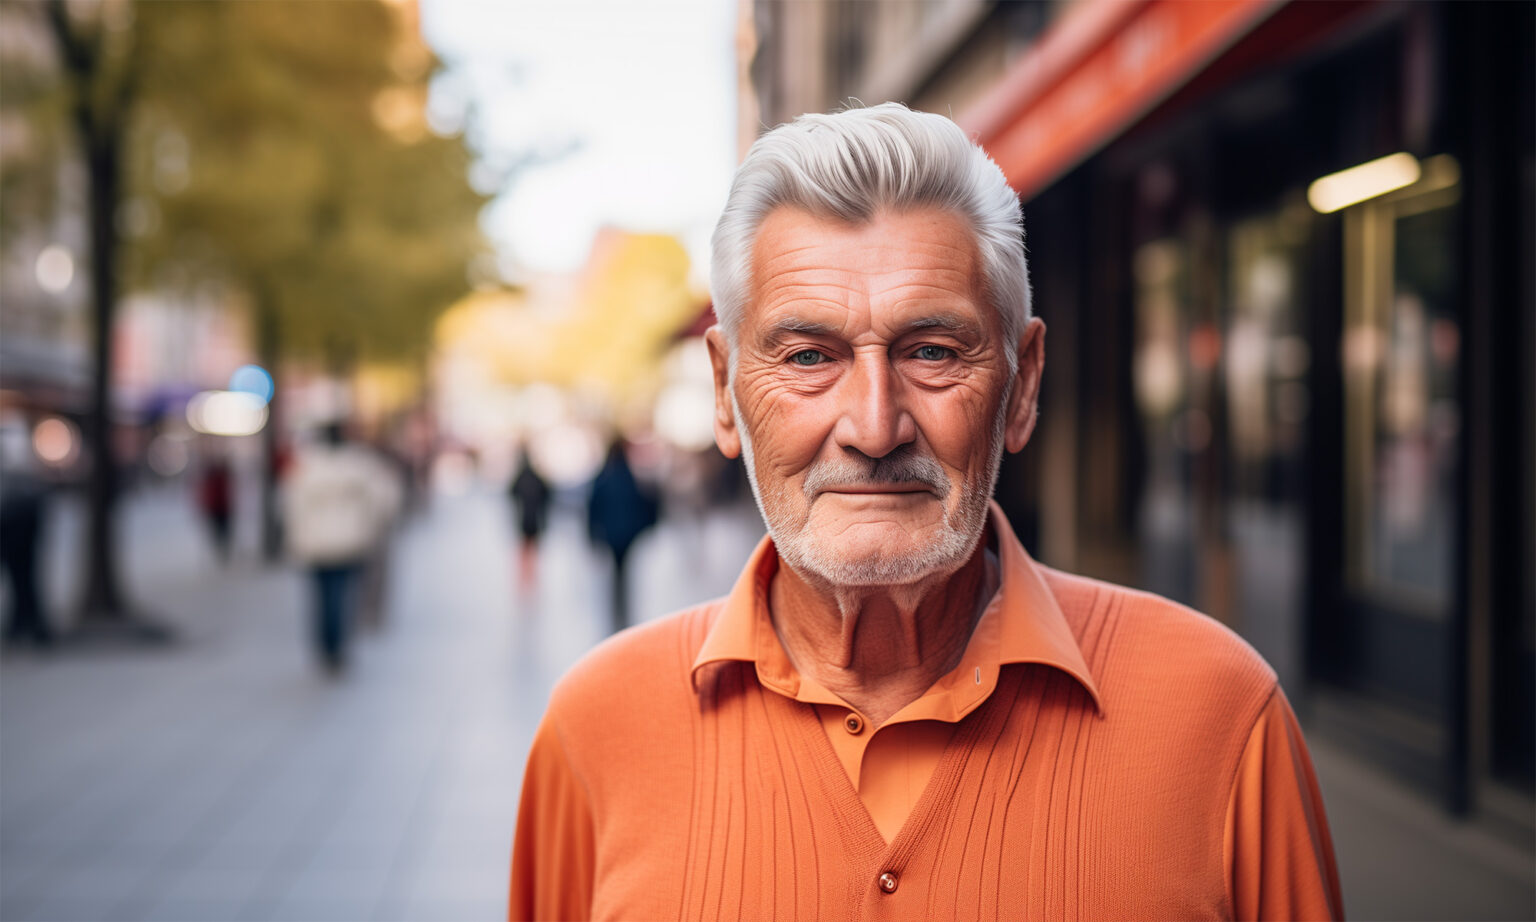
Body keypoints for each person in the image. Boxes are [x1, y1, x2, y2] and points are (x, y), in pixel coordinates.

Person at [511, 104, 1342, 920]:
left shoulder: (1221, 715)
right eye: (808, 357)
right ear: (726, 397)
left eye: (933, 352)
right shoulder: (595, 732)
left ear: (1022, 386)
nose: (875, 427)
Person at [282, 422, 401, 674]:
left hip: (314, 542)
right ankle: (336, 646)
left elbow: (290, 504)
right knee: (343, 593)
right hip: (350, 540)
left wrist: (294, 537)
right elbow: (383, 499)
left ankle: (325, 645)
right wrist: (370, 527)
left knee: (320, 596)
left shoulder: (306, 465)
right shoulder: (360, 465)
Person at [585, 440, 657, 632]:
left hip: (612, 536)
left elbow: (593, 507)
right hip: (627, 536)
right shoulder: (630, 477)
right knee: (622, 573)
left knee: (617, 574)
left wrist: (592, 534)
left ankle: (617, 610)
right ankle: (623, 609)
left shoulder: (604, 478)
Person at [0, 421, 51, 648]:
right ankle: (26, 624)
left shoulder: (11, 442)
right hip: (23, 517)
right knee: (25, 576)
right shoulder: (21, 441)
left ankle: (25, 624)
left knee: (22, 576)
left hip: (15, 519)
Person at [508, 447, 551, 590]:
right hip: (535, 521)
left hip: (523, 520)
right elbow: (548, 494)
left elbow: (511, 493)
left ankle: (525, 578)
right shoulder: (536, 478)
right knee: (532, 551)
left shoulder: (519, 478)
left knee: (525, 552)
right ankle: (531, 578)